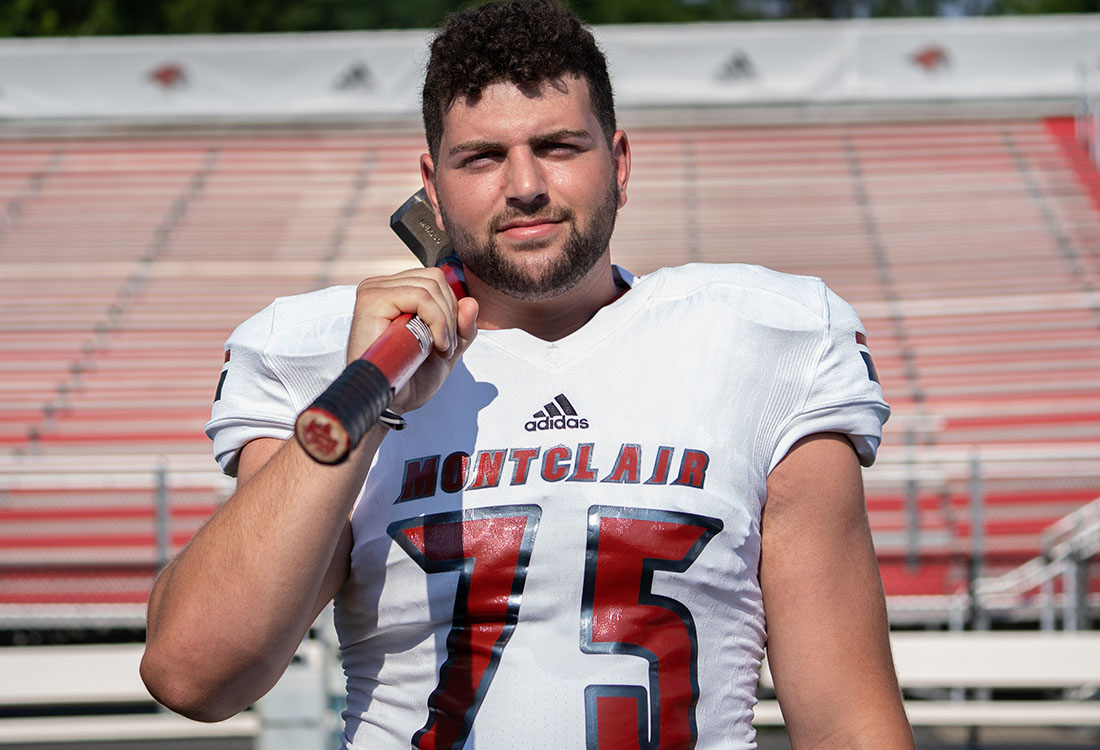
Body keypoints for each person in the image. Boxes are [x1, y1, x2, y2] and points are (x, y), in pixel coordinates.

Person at [141, 1, 914, 748]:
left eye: (558, 147)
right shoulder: (336, 356)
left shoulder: (766, 340)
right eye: (481, 158)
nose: (525, 187)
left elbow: (848, 723)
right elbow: (196, 674)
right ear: (432, 185)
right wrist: (365, 413)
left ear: (618, 162)